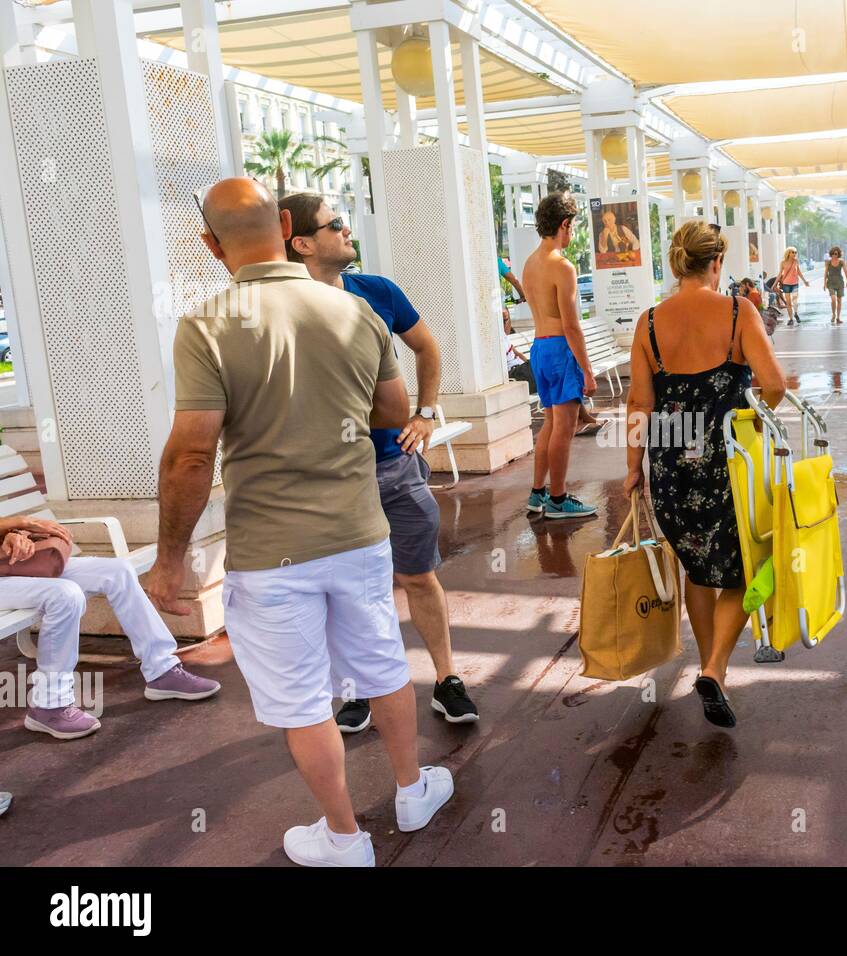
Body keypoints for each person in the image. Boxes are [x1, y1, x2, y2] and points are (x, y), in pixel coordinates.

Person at [147, 178, 452, 867]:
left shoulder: (207, 324)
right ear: (285, 224)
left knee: (303, 697)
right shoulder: (353, 310)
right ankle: (411, 792)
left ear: (210, 243)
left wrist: (171, 559)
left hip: (268, 552)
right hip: (357, 534)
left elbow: (193, 454)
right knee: (382, 667)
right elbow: (393, 414)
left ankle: (343, 838)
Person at [279, 193, 480, 730]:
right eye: (335, 225)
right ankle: (356, 689)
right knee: (344, 587)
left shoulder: (378, 291)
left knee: (419, 574)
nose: (347, 230)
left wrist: (426, 413)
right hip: (328, 476)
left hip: (394, 464)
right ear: (301, 244)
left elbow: (428, 349)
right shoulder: (284, 307)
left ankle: (446, 680)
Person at [625, 221, 785, 728]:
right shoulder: (739, 312)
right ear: (716, 263)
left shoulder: (649, 322)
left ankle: (707, 664)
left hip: (671, 462)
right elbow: (774, 384)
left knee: (698, 567)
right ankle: (715, 668)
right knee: (743, 567)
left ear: (678, 263)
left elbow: (639, 404)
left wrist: (633, 468)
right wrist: (749, 421)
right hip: (727, 463)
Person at [1, 516, 219, 740]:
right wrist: (23, 522)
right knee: (65, 595)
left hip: (9, 563)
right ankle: (49, 704)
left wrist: (13, 534)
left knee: (117, 571)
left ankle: (162, 670)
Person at [522, 192, 598, 518]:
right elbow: (571, 326)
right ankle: (558, 498)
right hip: (560, 349)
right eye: (572, 226)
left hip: (539, 348)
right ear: (564, 224)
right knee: (564, 429)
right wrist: (589, 371)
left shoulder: (529, 263)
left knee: (550, 423)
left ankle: (538, 492)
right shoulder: (562, 267)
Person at [776, 246, 809, 326]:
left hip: (795, 284)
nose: (794, 254)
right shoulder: (783, 262)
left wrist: (804, 281)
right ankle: (791, 319)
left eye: (795, 252)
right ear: (788, 253)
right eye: (793, 252)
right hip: (786, 284)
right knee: (788, 303)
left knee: (795, 301)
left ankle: (796, 313)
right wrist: (774, 284)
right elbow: (780, 273)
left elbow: (799, 272)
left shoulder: (796, 261)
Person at [824, 245, 847, 325]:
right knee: (833, 299)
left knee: (839, 300)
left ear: (839, 254)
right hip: (830, 283)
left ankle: (838, 317)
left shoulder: (841, 262)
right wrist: (824, 283)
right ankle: (833, 314)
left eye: (836, 254)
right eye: (833, 254)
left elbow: (845, 271)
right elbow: (825, 273)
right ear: (831, 254)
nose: (835, 255)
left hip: (840, 282)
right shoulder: (828, 262)